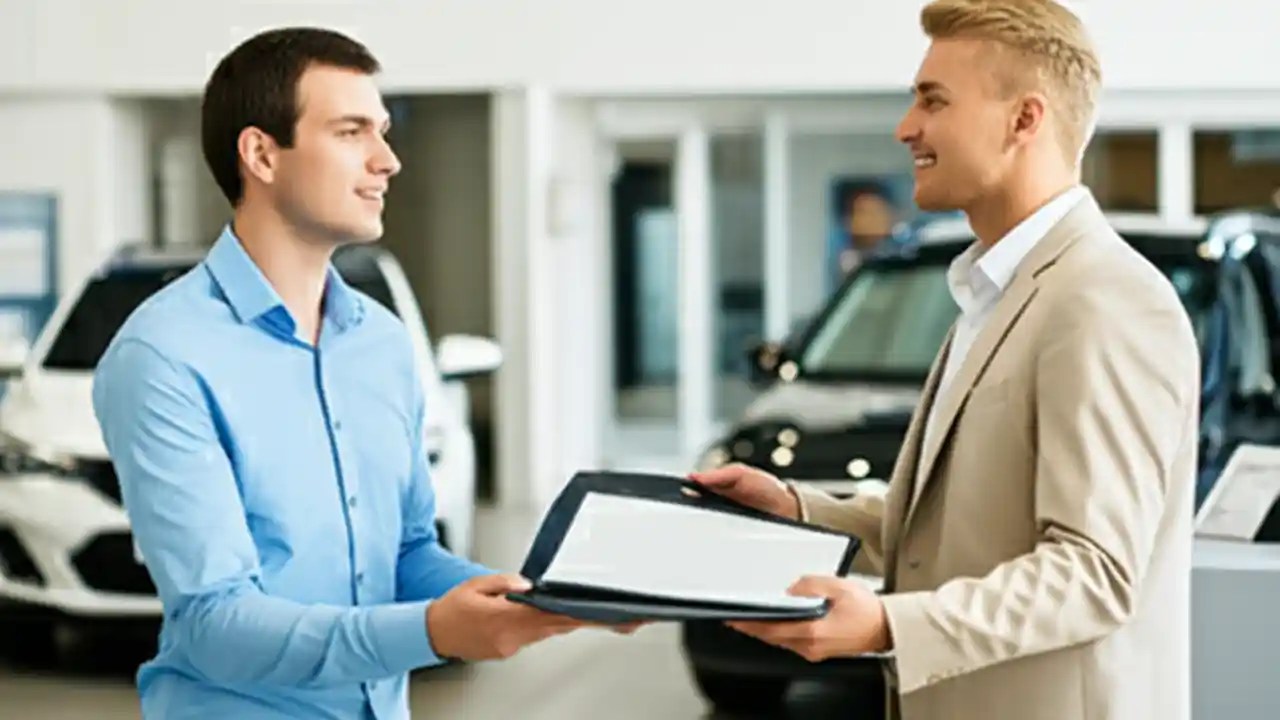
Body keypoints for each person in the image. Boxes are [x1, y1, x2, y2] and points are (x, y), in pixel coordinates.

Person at [691, 1, 1199, 719]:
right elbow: (955, 534)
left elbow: (1095, 573)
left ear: (1024, 120)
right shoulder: (994, 292)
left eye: (933, 101)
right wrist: (799, 510)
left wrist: (889, 624)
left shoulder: (1105, 300)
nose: (907, 128)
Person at [92, 27, 604, 720]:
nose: (387, 160)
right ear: (261, 154)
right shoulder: (162, 356)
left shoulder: (382, 343)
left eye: (382, 132)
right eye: (351, 132)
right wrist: (433, 631)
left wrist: (534, 598)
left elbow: (408, 554)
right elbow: (214, 621)